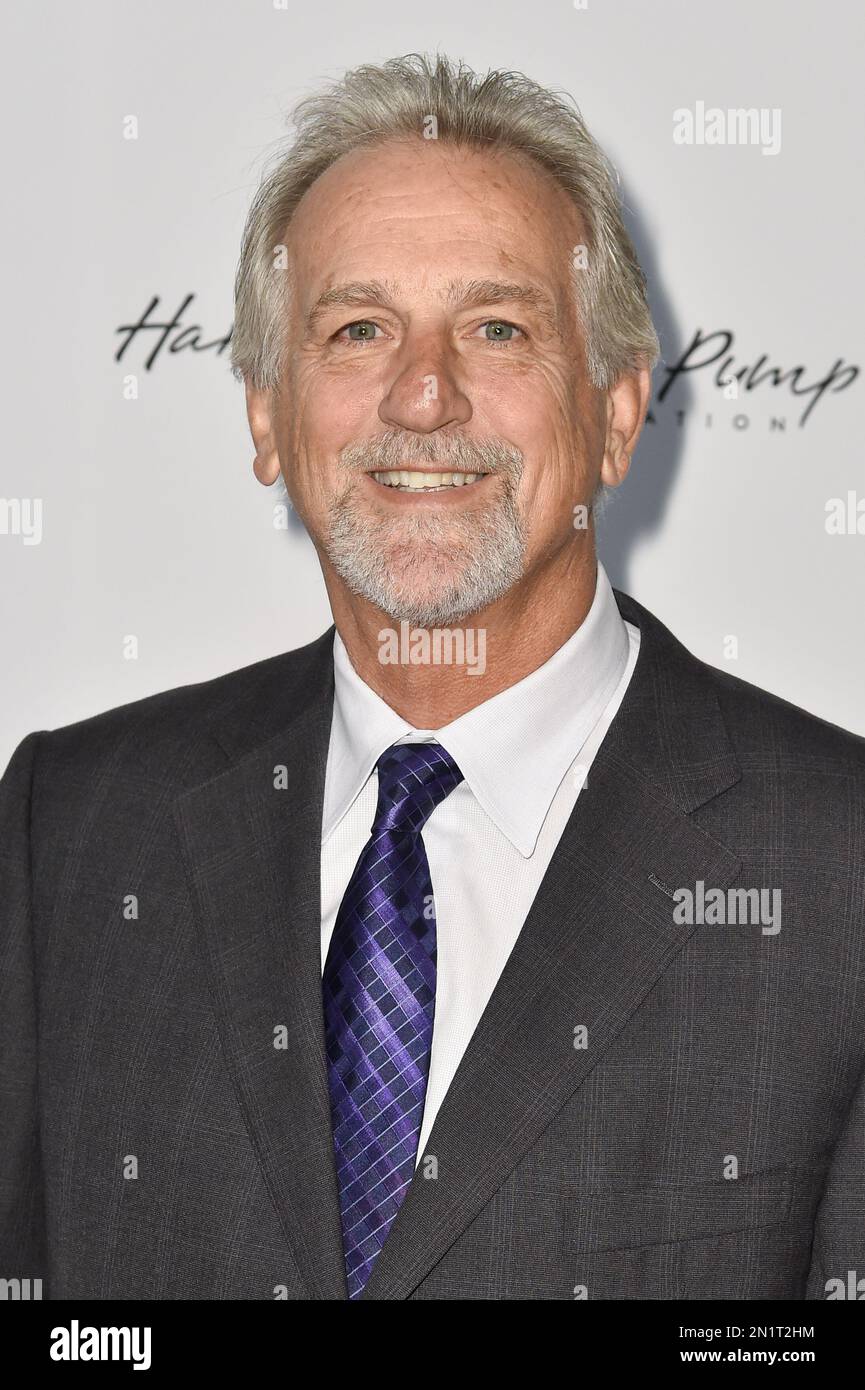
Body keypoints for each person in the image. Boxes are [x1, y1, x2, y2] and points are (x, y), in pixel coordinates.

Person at [1, 54, 863, 1301]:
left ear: (618, 412)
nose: (422, 394)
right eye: (357, 329)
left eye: (497, 327)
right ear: (266, 415)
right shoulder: (70, 826)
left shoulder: (837, 868)